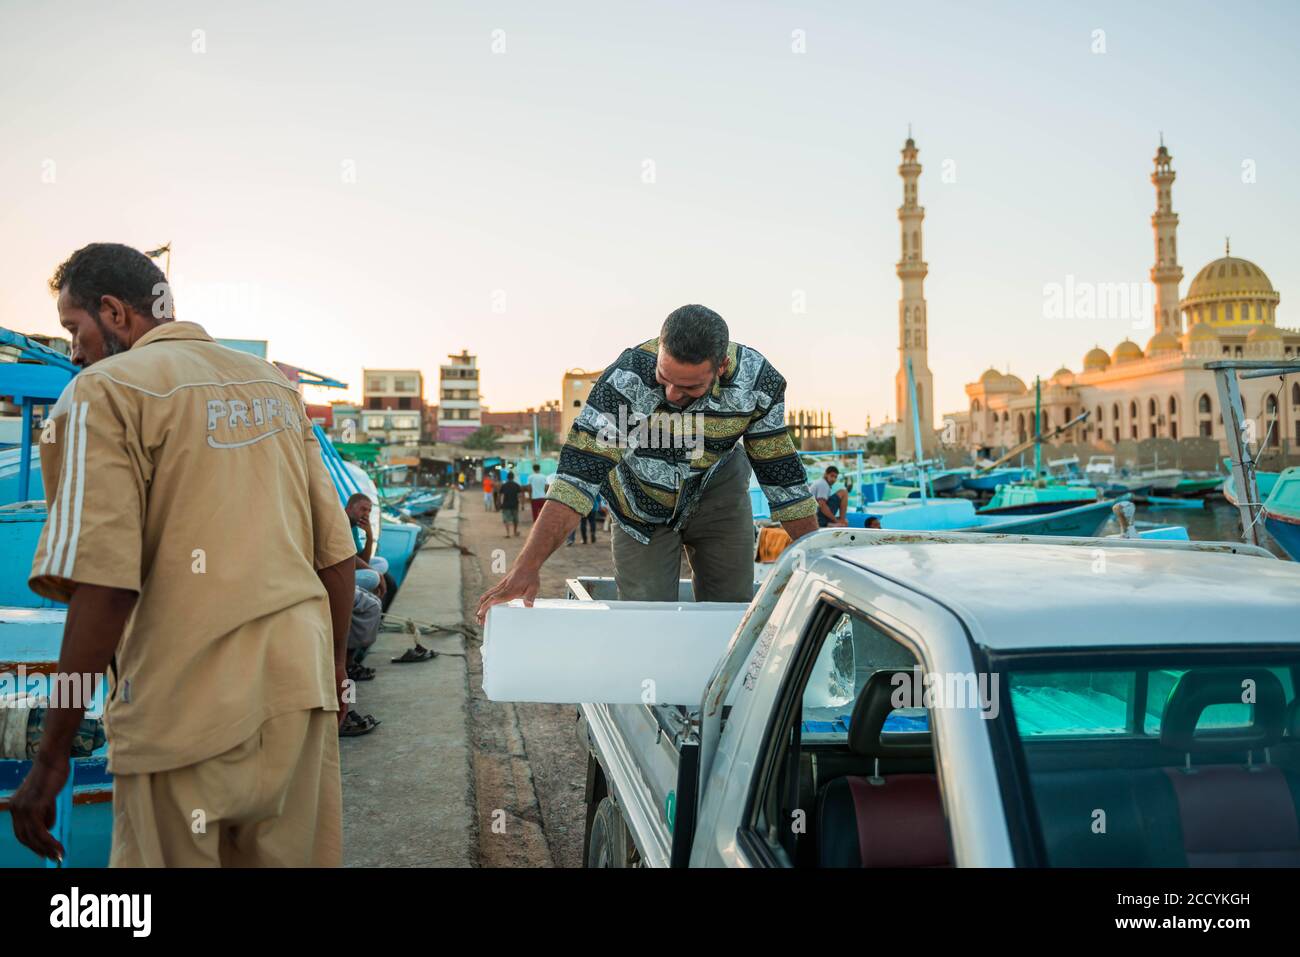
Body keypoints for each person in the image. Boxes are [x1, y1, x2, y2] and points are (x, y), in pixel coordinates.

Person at [10, 243, 358, 867]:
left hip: (182, 713)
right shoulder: (273, 389)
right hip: (297, 701)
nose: (73, 350)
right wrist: (332, 673)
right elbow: (335, 556)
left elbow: (104, 585)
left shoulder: (102, 393)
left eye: (74, 328)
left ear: (114, 312)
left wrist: (51, 753)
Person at [478, 304, 817, 620]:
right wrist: (527, 566)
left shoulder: (759, 384)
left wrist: (816, 558)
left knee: (731, 611)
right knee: (646, 614)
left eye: (688, 387)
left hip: (718, 495)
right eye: (663, 377)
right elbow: (577, 479)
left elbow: (781, 479)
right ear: (659, 350)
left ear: (721, 368)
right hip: (639, 504)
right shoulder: (624, 380)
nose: (670, 394)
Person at [345, 493, 388, 601]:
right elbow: (348, 557)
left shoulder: (353, 526)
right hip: (338, 574)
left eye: (369, 511)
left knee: (382, 562)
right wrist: (375, 573)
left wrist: (369, 536)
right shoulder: (340, 524)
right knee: (373, 577)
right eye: (363, 509)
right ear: (349, 508)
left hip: (349, 567)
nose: (366, 514)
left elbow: (364, 560)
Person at [499, 470, 522, 537]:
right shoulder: (516, 485)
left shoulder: (504, 485)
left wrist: (499, 503)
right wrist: (520, 503)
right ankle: (514, 532)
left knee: (506, 520)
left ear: (507, 477)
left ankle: (508, 533)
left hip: (506, 504)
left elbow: (500, 495)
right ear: (513, 477)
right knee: (515, 519)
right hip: (515, 504)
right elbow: (520, 495)